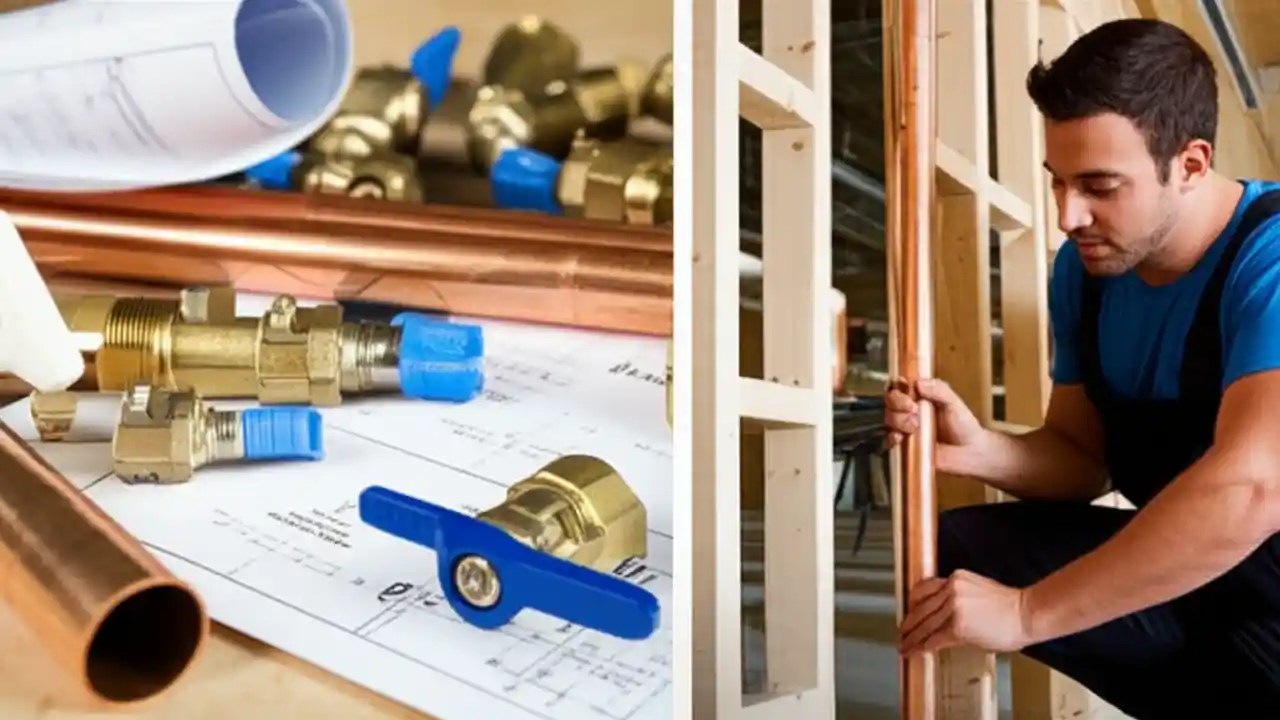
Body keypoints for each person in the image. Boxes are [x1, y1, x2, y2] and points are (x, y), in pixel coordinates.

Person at [887, 17, 1280, 719]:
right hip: (1198, 577)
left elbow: (1252, 490)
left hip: (1268, 586)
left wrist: (1030, 613)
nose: (1069, 216)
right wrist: (985, 451)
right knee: (967, 549)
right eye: (1058, 182)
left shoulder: (1269, 260)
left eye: (1100, 186)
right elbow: (1081, 462)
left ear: (1190, 164)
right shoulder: (1085, 272)